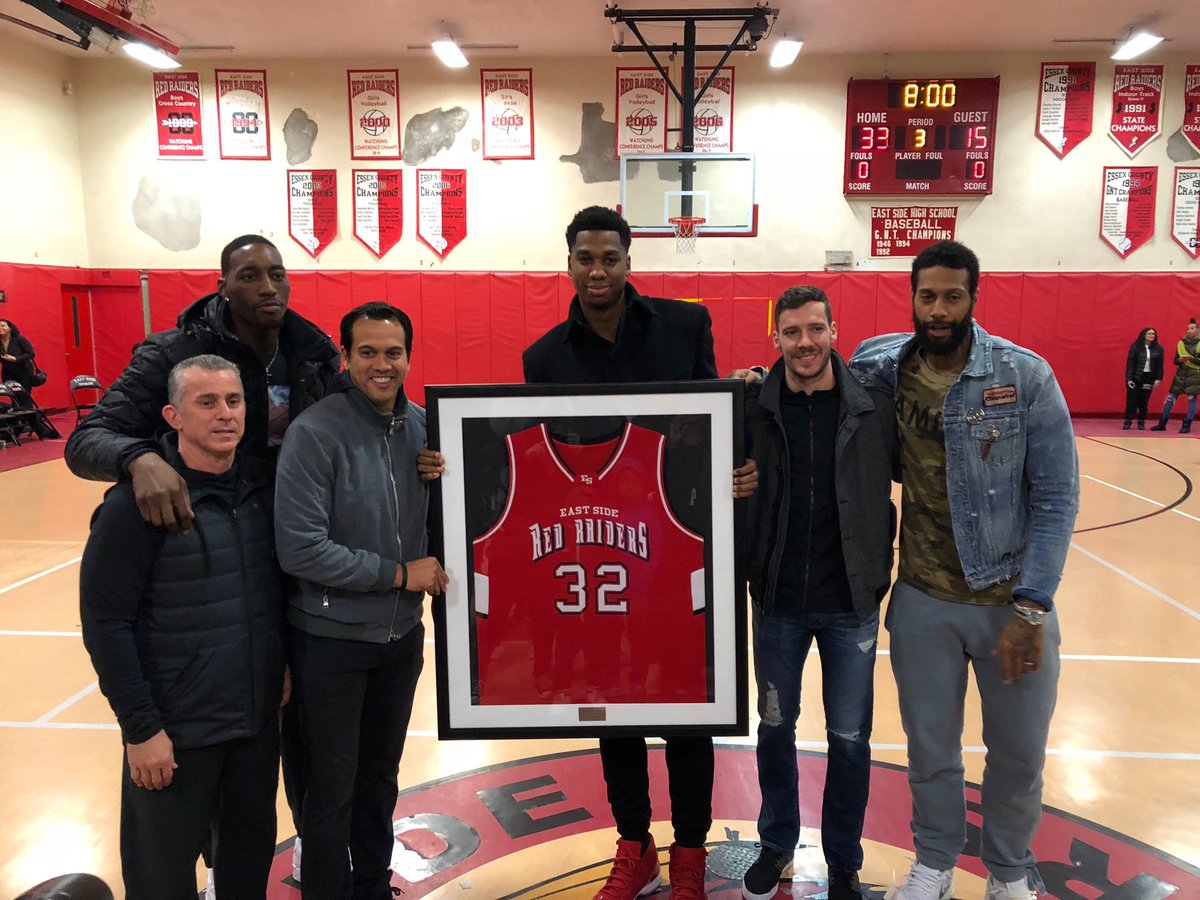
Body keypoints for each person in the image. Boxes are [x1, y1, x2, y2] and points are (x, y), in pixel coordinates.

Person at [64, 234, 340, 880]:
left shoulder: (313, 354)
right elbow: (85, 440)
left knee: (280, 773)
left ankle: (309, 852)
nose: (267, 286)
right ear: (222, 286)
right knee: (165, 859)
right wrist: (139, 459)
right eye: (249, 275)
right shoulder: (174, 353)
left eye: (277, 273)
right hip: (195, 586)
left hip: (277, 583)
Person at [523, 205, 758, 900]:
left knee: (689, 707)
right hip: (597, 551)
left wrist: (736, 464)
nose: (598, 271)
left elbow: (714, 425)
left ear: (630, 262)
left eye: (611, 258)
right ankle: (635, 846)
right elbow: (538, 458)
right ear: (568, 263)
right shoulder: (544, 357)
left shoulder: (685, 327)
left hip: (677, 547)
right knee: (610, 706)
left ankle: (689, 850)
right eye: (586, 259)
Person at [850, 241, 1079, 900]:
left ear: (974, 298)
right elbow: (819, 369)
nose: (939, 309)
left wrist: (1033, 606)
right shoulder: (883, 367)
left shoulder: (1023, 376)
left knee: (1017, 755)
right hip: (923, 600)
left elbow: (1058, 495)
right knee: (930, 750)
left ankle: (1007, 871)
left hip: (1012, 603)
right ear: (913, 298)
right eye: (928, 296)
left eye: (953, 296)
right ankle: (935, 865)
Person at [80, 355, 287, 900]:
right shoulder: (133, 506)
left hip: (253, 728)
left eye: (234, 401)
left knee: (246, 874)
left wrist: (279, 667)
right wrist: (141, 729)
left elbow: (275, 598)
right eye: (207, 402)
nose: (225, 414)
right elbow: (106, 624)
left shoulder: (266, 490)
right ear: (173, 415)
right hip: (174, 737)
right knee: (161, 882)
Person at [274, 301, 449, 900]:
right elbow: (301, 550)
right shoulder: (314, 432)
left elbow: (455, 525)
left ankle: (374, 886)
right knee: (330, 788)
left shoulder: (427, 430)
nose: (382, 364)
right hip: (329, 644)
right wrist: (400, 575)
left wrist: (448, 481)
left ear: (408, 356)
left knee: (379, 780)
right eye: (367, 352)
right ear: (344, 358)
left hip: (400, 642)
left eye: (393, 352)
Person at [739, 286, 896, 900]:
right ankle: (777, 843)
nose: (804, 343)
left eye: (815, 330)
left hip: (849, 603)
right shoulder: (751, 403)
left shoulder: (872, 405)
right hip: (777, 598)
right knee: (775, 728)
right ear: (774, 338)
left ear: (835, 331)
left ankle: (843, 863)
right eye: (792, 332)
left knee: (850, 739)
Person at [1150, 318, 1200, 433]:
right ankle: (1162, 423)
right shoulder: (1181, 343)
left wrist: (1191, 358)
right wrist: (1180, 360)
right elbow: (1175, 361)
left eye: (1192, 328)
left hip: (1195, 376)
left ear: (1197, 330)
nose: (1189, 330)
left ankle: (1186, 425)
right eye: (1188, 328)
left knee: (1192, 399)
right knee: (1170, 398)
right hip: (1181, 375)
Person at [1123, 327, 1163, 429]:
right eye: (1149, 334)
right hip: (1136, 377)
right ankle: (1128, 420)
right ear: (1144, 335)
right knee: (1132, 399)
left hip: (1149, 377)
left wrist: (1158, 379)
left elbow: (1160, 365)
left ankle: (1141, 420)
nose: (1151, 336)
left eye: (1153, 334)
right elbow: (1130, 363)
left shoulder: (1159, 348)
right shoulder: (1136, 346)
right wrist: (1129, 378)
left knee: (1144, 400)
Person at [0, 318, 38, 392]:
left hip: (24, 371)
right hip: (8, 373)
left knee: (24, 397)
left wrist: (15, 359)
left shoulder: (19, 338)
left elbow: (31, 354)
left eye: (3, 326)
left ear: (10, 328)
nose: (0, 328)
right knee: (13, 396)